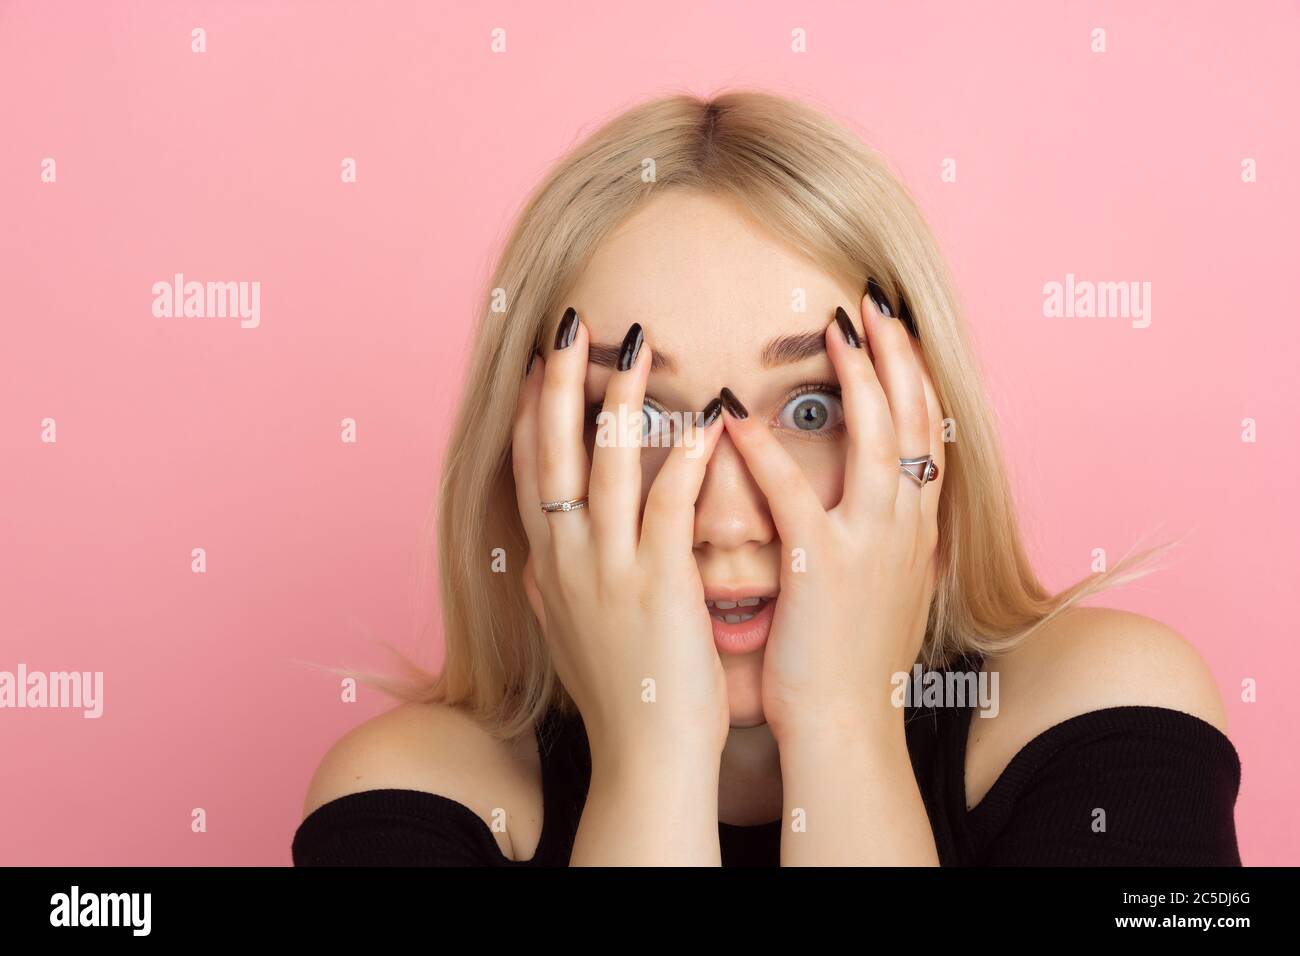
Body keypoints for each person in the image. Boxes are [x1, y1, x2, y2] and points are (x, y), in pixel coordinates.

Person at [291, 91, 1241, 866]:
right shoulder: (407, 803)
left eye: (812, 410)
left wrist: (840, 727)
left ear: (924, 431)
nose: (726, 518)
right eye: (638, 418)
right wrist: (650, 760)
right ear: (530, 457)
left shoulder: (1113, 713)